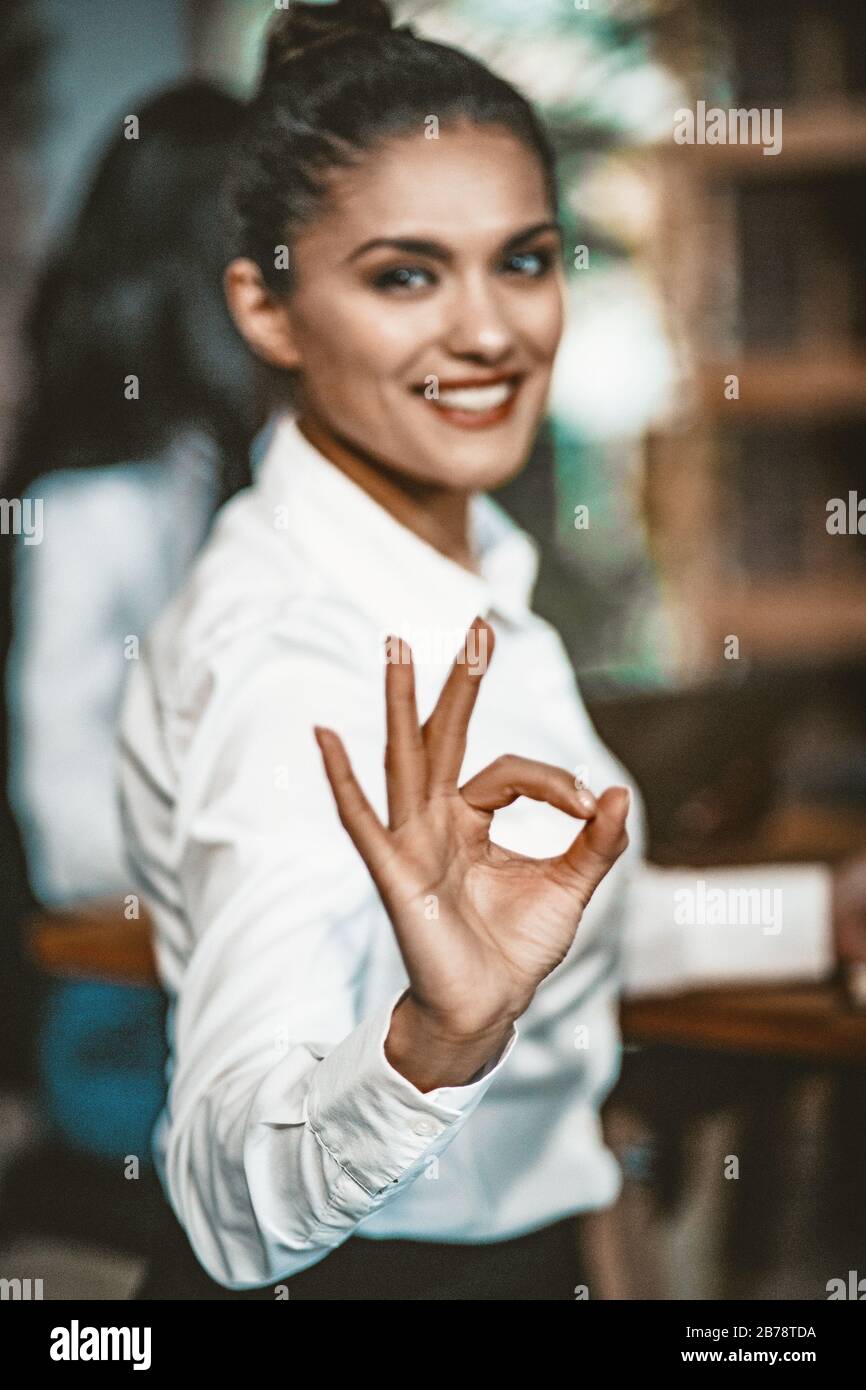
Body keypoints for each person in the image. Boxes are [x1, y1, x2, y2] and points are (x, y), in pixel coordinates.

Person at [120, 1, 864, 1301]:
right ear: (267, 305)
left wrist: (817, 913)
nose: (490, 332)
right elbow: (224, 1186)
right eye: (405, 273)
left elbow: (559, 934)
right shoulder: (298, 652)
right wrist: (428, 1039)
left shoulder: (449, 581)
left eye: (522, 259)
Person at [3, 80, 260, 1171]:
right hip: (120, 1011)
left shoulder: (208, 469)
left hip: (218, 981)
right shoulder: (92, 503)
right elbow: (69, 835)